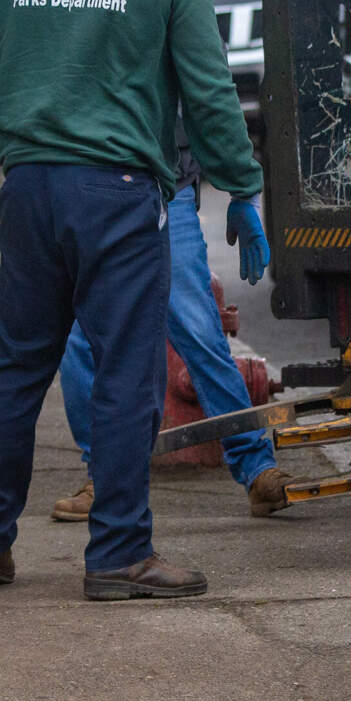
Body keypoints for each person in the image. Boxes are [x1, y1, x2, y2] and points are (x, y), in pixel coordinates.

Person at [0, 0, 270, 602]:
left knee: (15, 366)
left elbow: (0, 74)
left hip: (30, 188)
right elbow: (207, 93)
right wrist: (241, 184)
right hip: (118, 192)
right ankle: (119, 554)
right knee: (127, 375)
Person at [50, 133, 292, 523]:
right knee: (82, 338)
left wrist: (242, 190)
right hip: (95, 182)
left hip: (164, 181)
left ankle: (256, 467)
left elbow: (207, 98)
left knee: (200, 334)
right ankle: (105, 478)